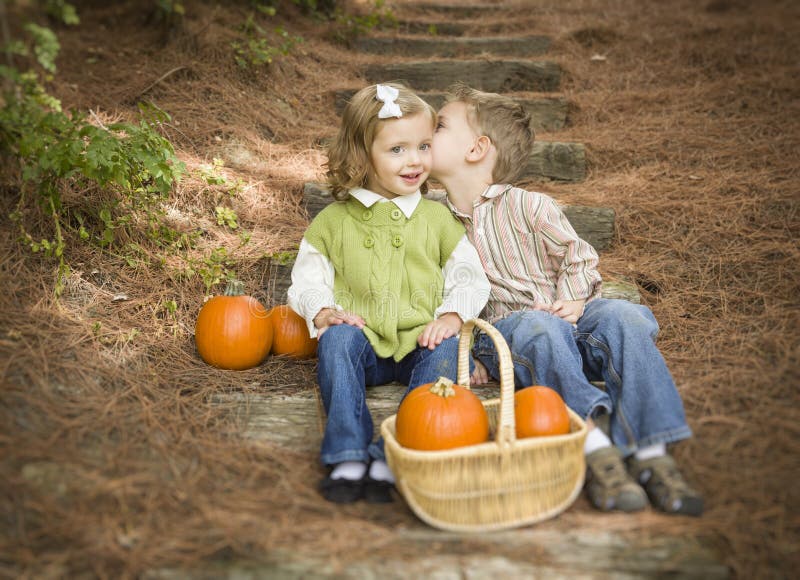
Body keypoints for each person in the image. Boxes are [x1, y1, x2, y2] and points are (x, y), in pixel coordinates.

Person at [428, 82, 703, 516]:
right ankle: (594, 447)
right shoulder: (429, 218)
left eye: (439, 125)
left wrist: (574, 301)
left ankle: (653, 456)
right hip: (509, 334)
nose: (428, 130)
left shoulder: (530, 207)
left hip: (568, 319)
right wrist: (467, 350)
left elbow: (578, 257)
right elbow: (432, 293)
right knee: (539, 326)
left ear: (477, 149)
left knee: (625, 316)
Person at [288, 83, 490, 504]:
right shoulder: (333, 221)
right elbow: (307, 278)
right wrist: (323, 310)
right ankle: (347, 454)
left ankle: (388, 456)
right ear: (362, 156)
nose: (415, 160)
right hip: (362, 336)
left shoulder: (437, 219)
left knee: (446, 351)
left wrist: (452, 316)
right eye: (397, 150)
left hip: (421, 338)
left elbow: (470, 276)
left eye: (422, 146)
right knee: (337, 341)